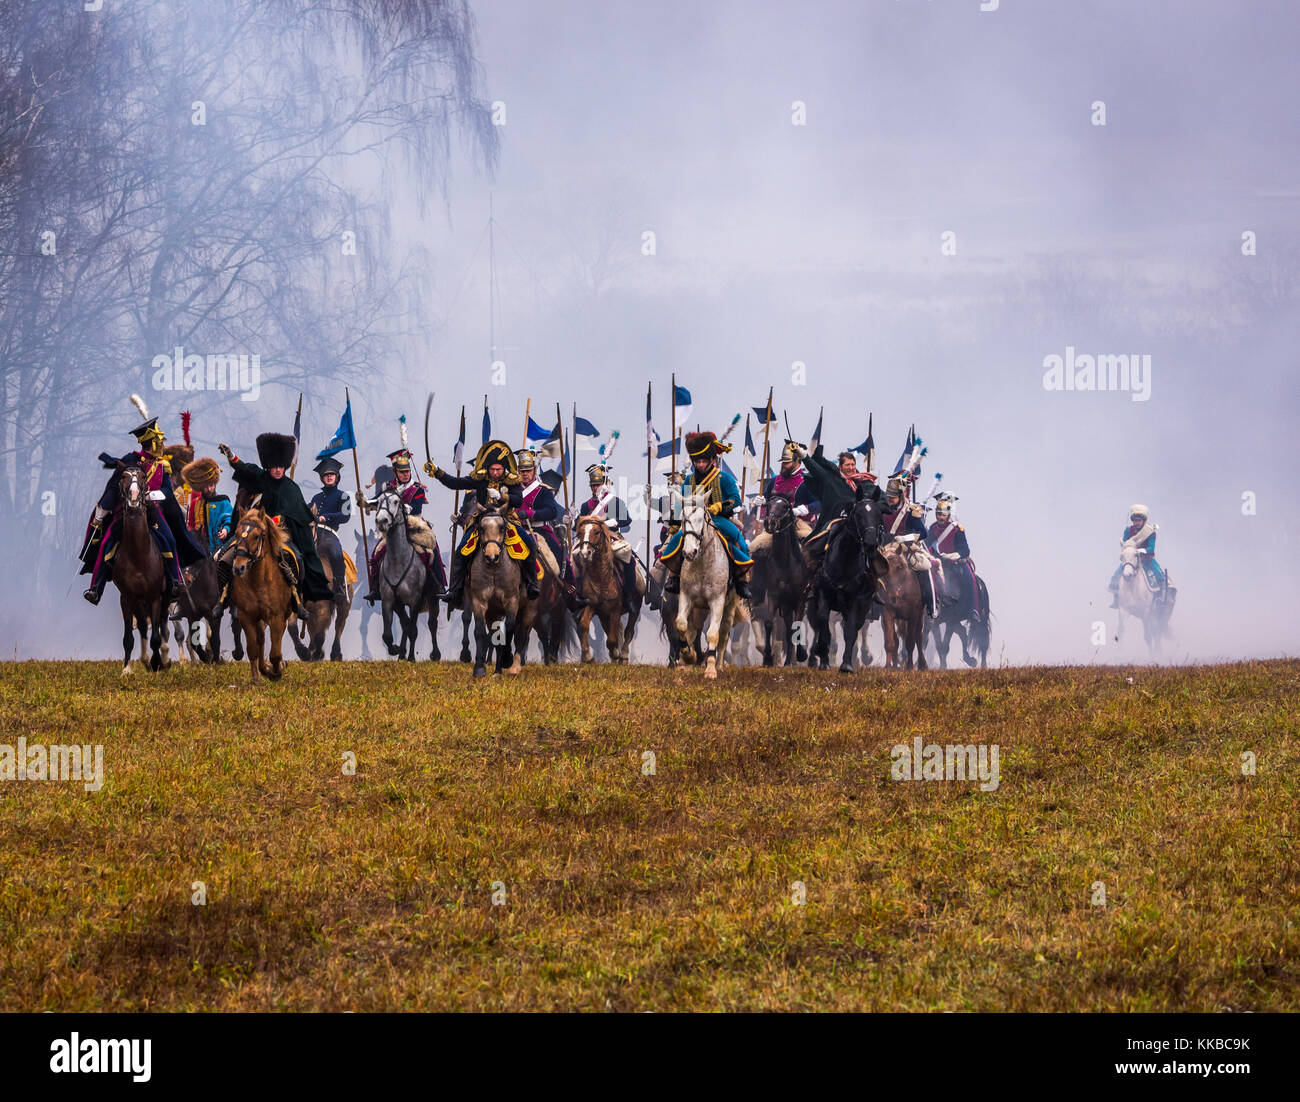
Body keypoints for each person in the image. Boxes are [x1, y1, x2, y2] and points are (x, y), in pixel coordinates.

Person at [80, 396, 205, 606]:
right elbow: (115, 486)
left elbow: (167, 490)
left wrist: (151, 496)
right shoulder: (131, 460)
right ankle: (96, 588)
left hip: (152, 512)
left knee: (170, 540)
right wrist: (103, 510)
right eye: (160, 442)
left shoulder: (162, 466)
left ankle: (174, 582)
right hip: (127, 513)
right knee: (106, 544)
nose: (162, 445)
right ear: (152, 443)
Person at [217, 433, 332, 613]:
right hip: (254, 531)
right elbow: (245, 468)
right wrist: (231, 456)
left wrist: (279, 520)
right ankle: (224, 596)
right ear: (268, 466)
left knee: (296, 558)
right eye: (274, 466)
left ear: (285, 466)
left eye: (281, 466)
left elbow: (297, 515)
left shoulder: (292, 488)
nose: (278, 470)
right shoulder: (261, 477)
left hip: (281, 534)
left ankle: (296, 598)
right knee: (225, 554)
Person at [424, 439, 541, 608]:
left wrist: (502, 496)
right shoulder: (479, 479)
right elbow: (455, 483)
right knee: (460, 552)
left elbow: (518, 500)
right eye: (492, 469)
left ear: (504, 468)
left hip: (506, 521)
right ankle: (455, 590)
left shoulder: (511, 480)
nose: (495, 473)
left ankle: (531, 584)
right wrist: (437, 472)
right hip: (482, 522)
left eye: (498, 469)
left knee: (530, 544)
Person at [658, 431, 753, 598]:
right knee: (675, 540)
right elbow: (681, 505)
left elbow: (735, 500)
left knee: (740, 541)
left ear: (712, 460)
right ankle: (674, 577)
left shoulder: (724, 478)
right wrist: (675, 523)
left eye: (704, 461)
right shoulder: (689, 481)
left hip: (719, 519)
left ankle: (741, 581)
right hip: (693, 521)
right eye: (698, 461)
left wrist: (720, 506)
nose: (700, 465)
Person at [359, 447, 445, 603]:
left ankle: (439, 584)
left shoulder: (417, 488)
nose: (405, 474)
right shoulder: (388, 487)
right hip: (395, 528)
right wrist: (364, 501)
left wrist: (402, 508)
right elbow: (377, 501)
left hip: (415, 525)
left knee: (433, 548)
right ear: (395, 472)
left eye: (407, 471)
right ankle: (375, 588)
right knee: (376, 553)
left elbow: (417, 507)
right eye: (402, 472)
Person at [516, 449, 587, 613]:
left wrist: (531, 514)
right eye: (522, 470)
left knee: (562, 556)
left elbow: (551, 511)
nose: (525, 474)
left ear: (534, 470)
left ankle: (572, 596)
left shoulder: (543, 490)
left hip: (539, 529)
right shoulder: (512, 490)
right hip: (516, 529)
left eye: (528, 470)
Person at [577, 461, 641, 614]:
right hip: (591, 541)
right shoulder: (586, 505)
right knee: (574, 561)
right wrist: (573, 522)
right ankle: (578, 596)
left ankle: (628, 596)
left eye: (597, 485)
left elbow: (627, 519)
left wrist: (614, 522)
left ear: (605, 484)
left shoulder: (615, 502)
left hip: (612, 537)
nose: (595, 488)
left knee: (629, 561)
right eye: (593, 485)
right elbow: (580, 526)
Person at [310, 456, 352, 603]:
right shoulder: (316, 497)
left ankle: (339, 587)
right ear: (322, 478)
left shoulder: (343, 496)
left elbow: (345, 516)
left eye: (332, 474)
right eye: (326, 475)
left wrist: (326, 517)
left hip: (329, 534)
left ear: (337, 477)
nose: (329, 477)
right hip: (313, 532)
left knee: (336, 552)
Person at [1109, 504, 1168, 608]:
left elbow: (1151, 548)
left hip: (1146, 559)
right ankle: (1116, 599)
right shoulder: (1128, 530)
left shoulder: (1150, 532)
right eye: (1135, 520)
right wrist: (1126, 549)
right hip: (1131, 559)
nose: (1136, 523)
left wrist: (1142, 551)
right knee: (1116, 575)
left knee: (1159, 575)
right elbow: (1125, 543)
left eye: (1139, 520)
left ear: (1143, 521)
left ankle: (1159, 599)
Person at [756, 440, 818, 538]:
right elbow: (766, 497)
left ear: (797, 462)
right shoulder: (774, 480)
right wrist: (762, 500)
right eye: (783, 462)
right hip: (775, 525)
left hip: (800, 524)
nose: (783, 465)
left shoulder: (807, 482)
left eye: (787, 462)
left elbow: (819, 503)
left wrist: (805, 509)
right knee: (756, 545)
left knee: (808, 544)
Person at [927, 492, 975, 614]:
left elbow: (965, 550)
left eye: (943, 515)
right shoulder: (933, 528)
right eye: (938, 514)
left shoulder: (957, 529)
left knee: (969, 578)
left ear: (948, 515)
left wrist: (951, 556)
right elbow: (927, 544)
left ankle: (974, 609)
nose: (940, 517)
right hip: (938, 562)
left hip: (956, 563)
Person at [180, 456, 233, 555]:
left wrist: (225, 530)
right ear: (200, 486)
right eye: (205, 486)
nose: (209, 489)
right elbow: (191, 525)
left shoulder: (223, 501)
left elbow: (229, 519)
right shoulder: (195, 503)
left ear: (215, 484)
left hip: (219, 547)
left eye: (211, 485)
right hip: (199, 548)